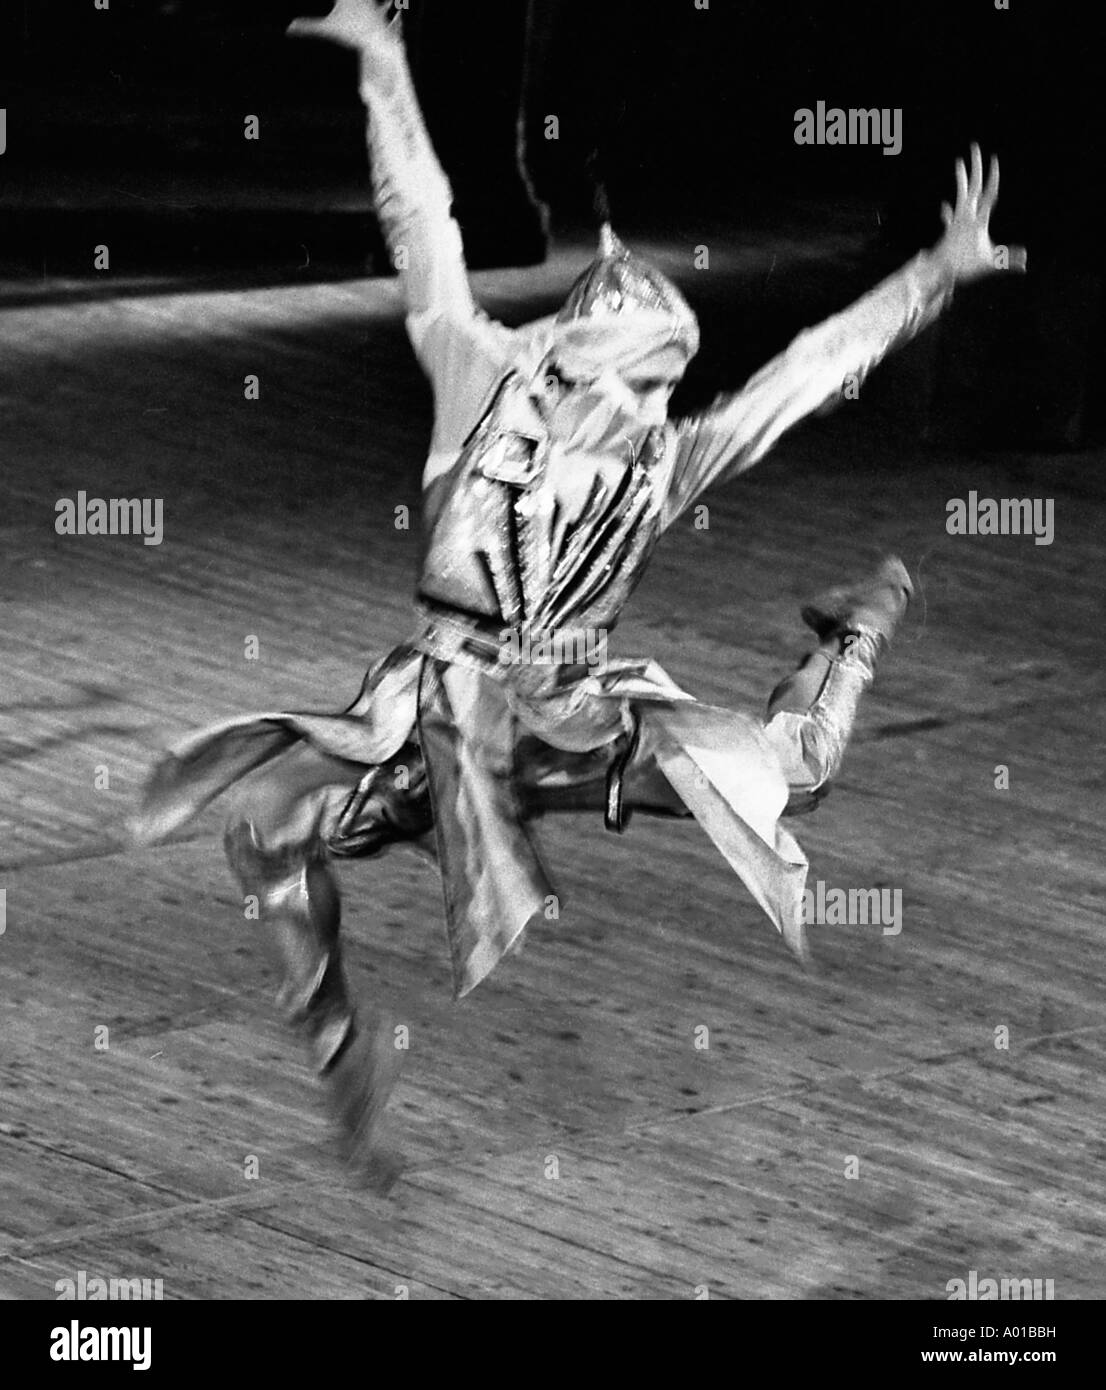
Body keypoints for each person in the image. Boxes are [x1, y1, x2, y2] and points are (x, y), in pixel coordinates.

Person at [134, 0, 1026, 1162]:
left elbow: (805, 372)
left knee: (789, 777)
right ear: (572, 371)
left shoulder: (665, 456)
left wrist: (932, 275)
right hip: (435, 711)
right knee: (262, 824)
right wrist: (384, 62)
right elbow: (426, 228)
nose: (656, 417)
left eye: (666, 394)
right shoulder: (479, 379)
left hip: (573, 716)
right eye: (639, 390)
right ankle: (339, 1040)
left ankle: (844, 643)